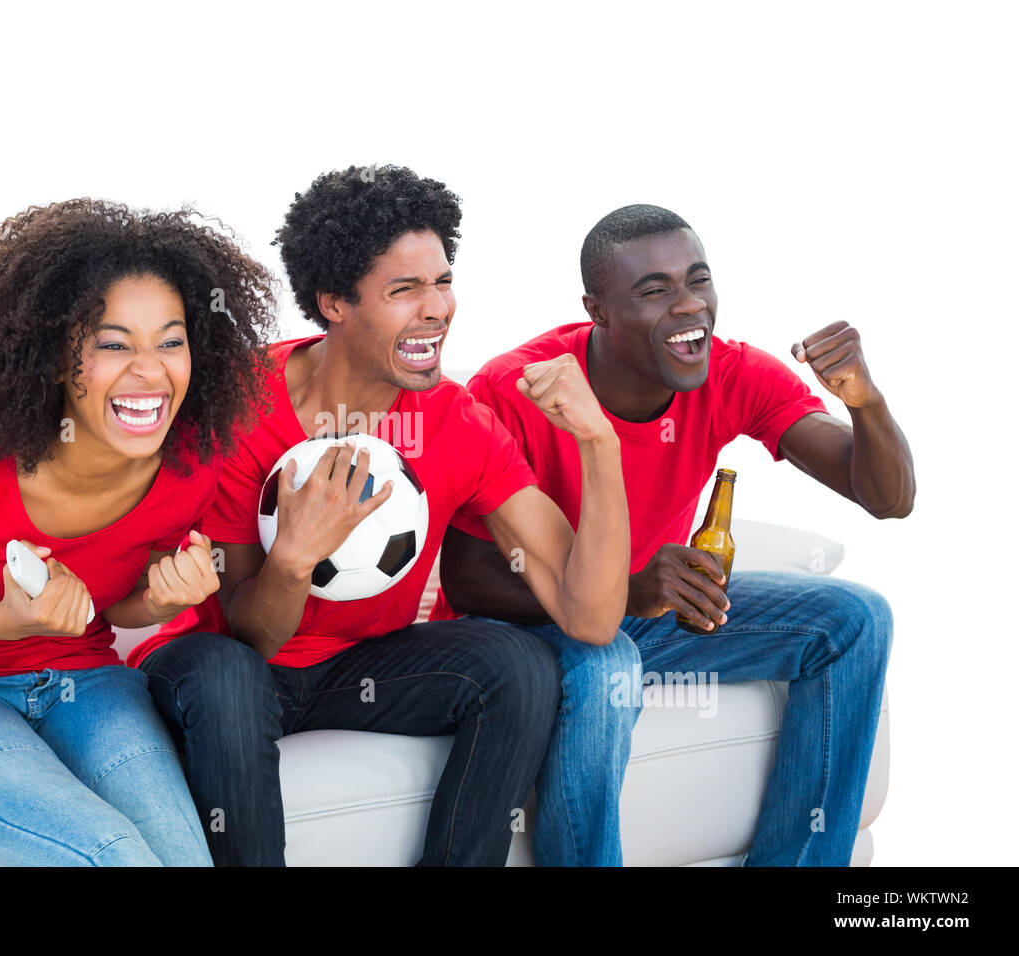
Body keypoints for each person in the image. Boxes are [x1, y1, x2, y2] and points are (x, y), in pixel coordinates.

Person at [127, 165, 631, 866]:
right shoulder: (241, 405)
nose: (437, 308)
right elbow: (252, 635)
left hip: (361, 667)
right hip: (232, 668)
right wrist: (297, 558)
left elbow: (591, 618)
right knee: (225, 677)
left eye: (443, 281)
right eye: (404, 290)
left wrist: (597, 441)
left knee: (520, 665)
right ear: (334, 302)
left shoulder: (458, 423)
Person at [434, 204, 914, 866]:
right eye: (655, 291)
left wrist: (866, 402)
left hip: (640, 614)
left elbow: (888, 499)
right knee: (607, 664)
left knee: (855, 619)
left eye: (699, 280)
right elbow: (465, 579)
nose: (690, 307)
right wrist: (621, 594)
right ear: (596, 311)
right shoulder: (519, 386)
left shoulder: (732, 371)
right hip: (530, 630)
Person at [0, 198, 278, 865]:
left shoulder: (191, 458)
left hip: (85, 681)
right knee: (113, 856)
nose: (150, 369)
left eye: (171, 340)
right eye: (114, 344)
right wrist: (10, 618)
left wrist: (162, 602)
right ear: (54, 358)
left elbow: (112, 608)